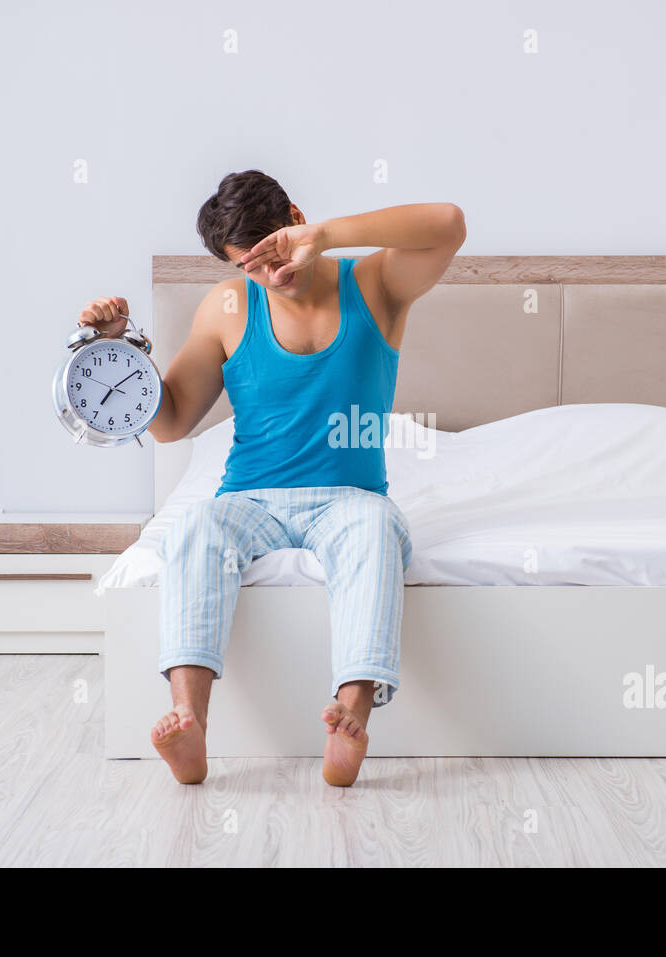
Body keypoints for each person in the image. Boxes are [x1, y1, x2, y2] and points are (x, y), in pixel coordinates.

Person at [77, 170, 465, 786]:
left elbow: (448, 222)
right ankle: (189, 720)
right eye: (251, 266)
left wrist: (326, 236)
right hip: (249, 497)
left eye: (277, 251)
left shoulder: (374, 285)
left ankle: (351, 719)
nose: (273, 275)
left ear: (295, 215)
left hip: (350, 498)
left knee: (375, 530)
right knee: (194, 526)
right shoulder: (228, 308)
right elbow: (173, 421)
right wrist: (119, 349)